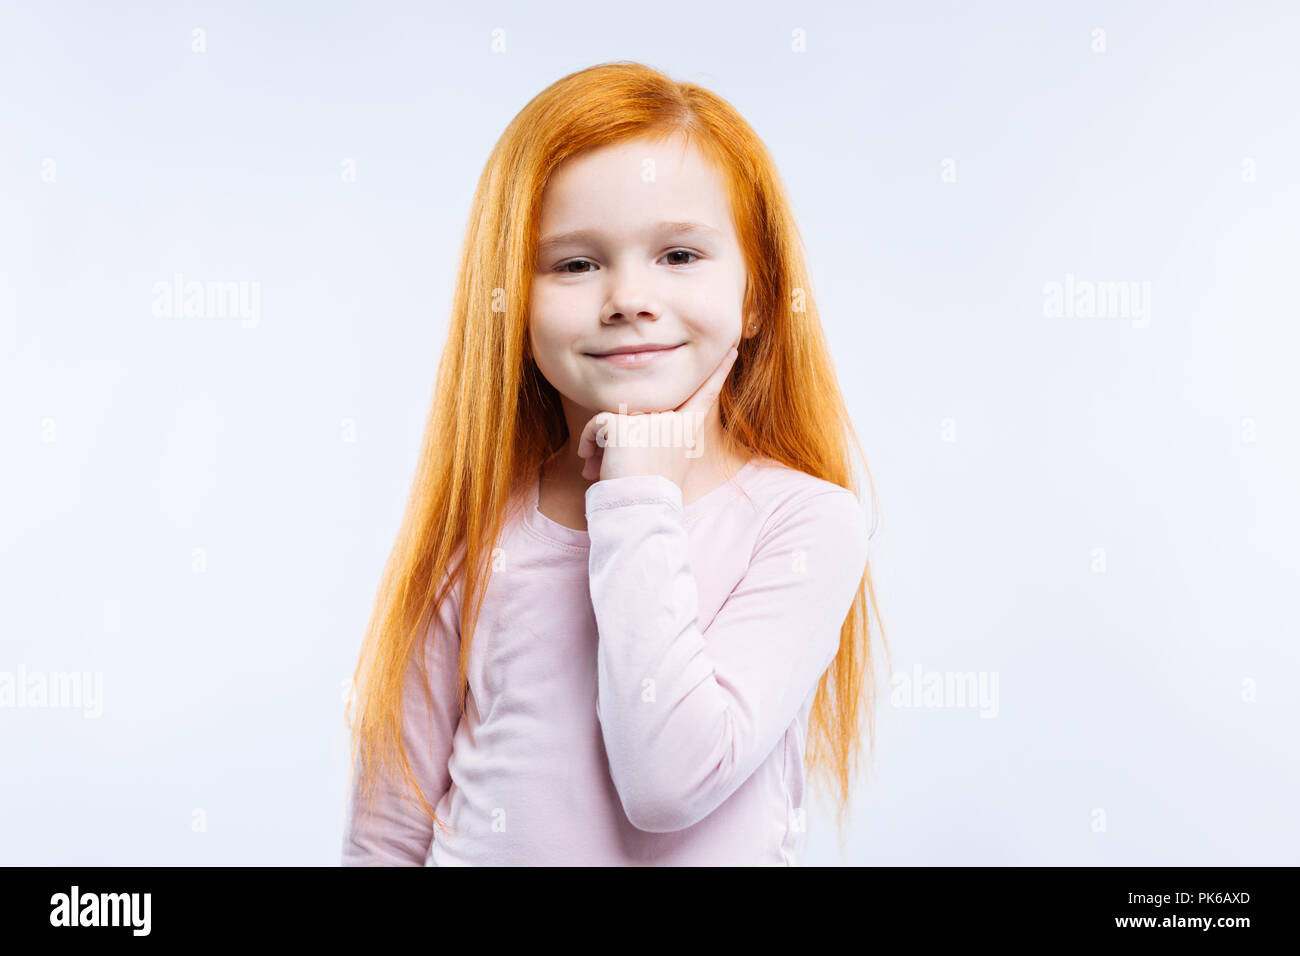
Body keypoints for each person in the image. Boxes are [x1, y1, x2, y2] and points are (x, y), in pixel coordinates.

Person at [341, 61, 886, 866]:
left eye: (678, 255)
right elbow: (386, 834)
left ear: (759, 293)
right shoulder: (477, 537)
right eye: (574, 264)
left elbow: (668, 782)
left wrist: (635, 491)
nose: (629, 296)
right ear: (512, 305)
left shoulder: (806, 524)